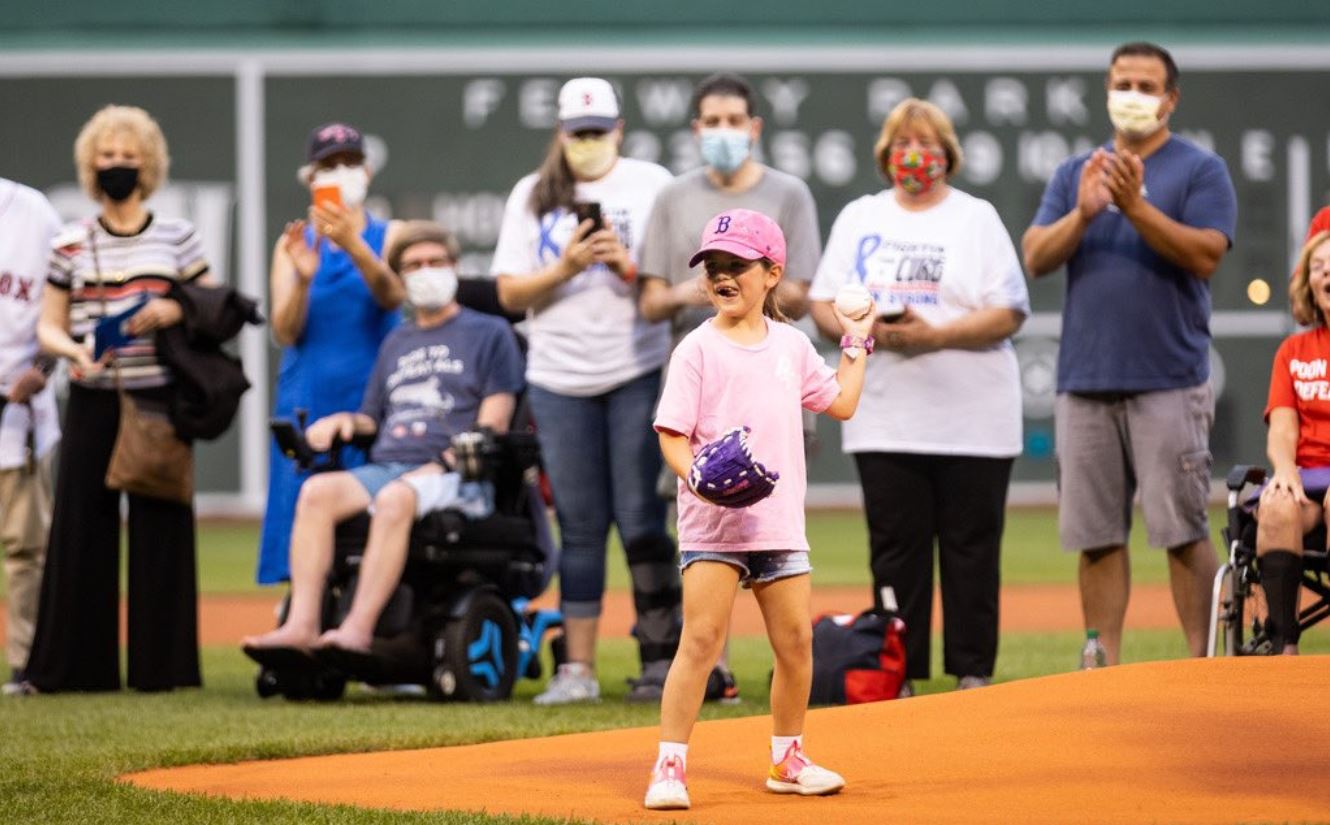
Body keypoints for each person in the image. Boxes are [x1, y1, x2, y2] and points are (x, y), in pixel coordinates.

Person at [644, 209, 871, 810]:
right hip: (713, 522)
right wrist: (693, 472)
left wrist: (857, 338)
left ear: (772, 273)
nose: (723, 276)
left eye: (737, 265)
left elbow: (841, 403)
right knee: (701, 641)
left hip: (777, 524)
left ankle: (787, 758)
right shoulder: (696, 349)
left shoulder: (792, 346)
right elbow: (671, 433)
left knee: (796, 643)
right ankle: (670, 766)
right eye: (714, 266)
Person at [1022, 42, 1237, 665]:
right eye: (1123, 83)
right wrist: (1086, 213)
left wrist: (1136, 207)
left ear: (1170, 99)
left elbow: (1205, 255)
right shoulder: (1075, 174)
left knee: (1183, 531)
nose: (1133, 95)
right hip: (1085, 379)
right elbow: (1036, 255)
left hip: (1168, 377)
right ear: (1107, 89)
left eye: (1147, 86)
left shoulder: (1199, 170)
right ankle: (1102, 661)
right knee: (1096, 538)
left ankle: (1200, 661)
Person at [807, 98, 1030, 696]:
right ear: (884, 155)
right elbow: (824, 301)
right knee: (895, 550)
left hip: (974, 416)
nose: (915, 155)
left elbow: (1010, 310)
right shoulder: (860, 216)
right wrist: (864, 331)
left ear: (948, 154)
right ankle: (897, 668)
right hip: (884, 412)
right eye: (903, 143)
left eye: (928, 144)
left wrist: (936, 335)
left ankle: (972, 671)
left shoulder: (976, 218)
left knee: (971, 550)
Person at [242, 221, 524, 655]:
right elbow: (371, 418)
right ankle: (302, 624)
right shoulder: (397, 341)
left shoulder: (490, 333)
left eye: (435, 262)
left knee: (395, 497)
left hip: (457, 474)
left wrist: (446, 463)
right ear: (400, 277)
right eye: (413, 265)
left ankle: (357, 630)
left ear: (455, 267)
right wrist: (342, 423)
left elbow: (495, 422)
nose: (425, 271)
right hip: (390, 465)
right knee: (316, 492)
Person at [491, 76, 680, 704]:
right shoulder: (534, 194)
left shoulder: (651, 184)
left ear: (620, 130)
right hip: (558, 376)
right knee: (578, 525)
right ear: (562, 134)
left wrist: (623, 263)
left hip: (635, 369)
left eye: (599, 132)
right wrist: (567, 266)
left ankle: (662, 661)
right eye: (579, 134)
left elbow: (671, 282)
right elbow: (510, 293)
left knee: (641, 518)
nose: (589, 143)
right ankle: (578, 670)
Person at [636, 71, 823, 701]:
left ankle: (784, 664)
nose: (722, 132)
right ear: (696, 129)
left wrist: (753, 286)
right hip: (705, 385)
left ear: (754, 127)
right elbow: (651, 296)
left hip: (769, 371)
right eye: (710, 122)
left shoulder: (789, 192)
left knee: (775, 524)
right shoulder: (673, 197)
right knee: (703, 522)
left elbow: (806, 289)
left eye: (732, 121)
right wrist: (712, 285)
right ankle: (710, 662)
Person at [26, 105, 212, 692]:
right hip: (92, 395)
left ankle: (166, 670)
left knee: (162, 527)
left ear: (149, 165)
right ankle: (77, 669)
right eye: (107, 157)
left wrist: (175, 307)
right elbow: (48, 326)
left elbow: (213, 308)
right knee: (81, 531)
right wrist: (74, 351)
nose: (117, 166)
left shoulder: (177, 236)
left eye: (129, 158)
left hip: (156, 398)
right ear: (90, 165)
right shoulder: (70, 242)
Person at [257, 121, 406, 585]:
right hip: (309, 398)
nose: (340, 173)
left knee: (372, 517)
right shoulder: (294, 245)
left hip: (370, 399)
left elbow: (391, 294)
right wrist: (303, 276)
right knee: (302, 515)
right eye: (328, 166)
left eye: (349, 163)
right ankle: (302, 615)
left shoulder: (391, 235)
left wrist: (352, 245)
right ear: (310, 177)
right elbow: (285, 329)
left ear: (366, 171)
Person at [1252, 231, 1330, 655]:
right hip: (1308, 477)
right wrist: (1284, 469)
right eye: (1318, 267)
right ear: (1309, 286)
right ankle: (1284, 649)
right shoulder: (1294, 351)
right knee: (1277, 505)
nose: (1327, 273)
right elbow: (1282, 428)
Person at [0, 177, 61, 695]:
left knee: (24, 548)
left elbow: (65, 301)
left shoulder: (31, 211)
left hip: (15, 415)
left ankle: (27, 665)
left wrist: (42, 367)